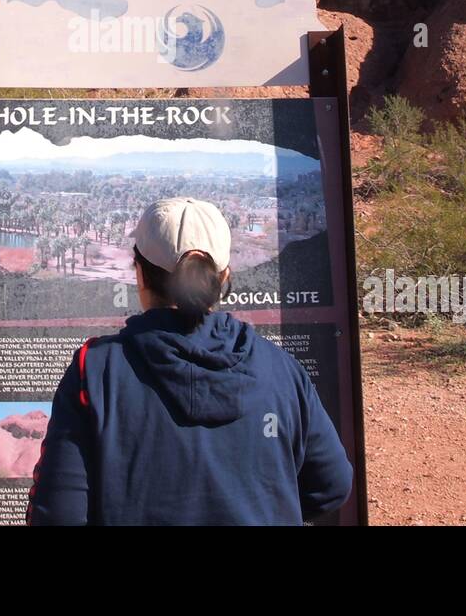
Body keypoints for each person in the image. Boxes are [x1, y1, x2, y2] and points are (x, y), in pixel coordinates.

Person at [26, 197, 352, 525]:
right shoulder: (282, 370)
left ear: (139, 273)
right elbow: (331, 485)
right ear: (223, 277)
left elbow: (57, 513)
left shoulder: (95, 371)